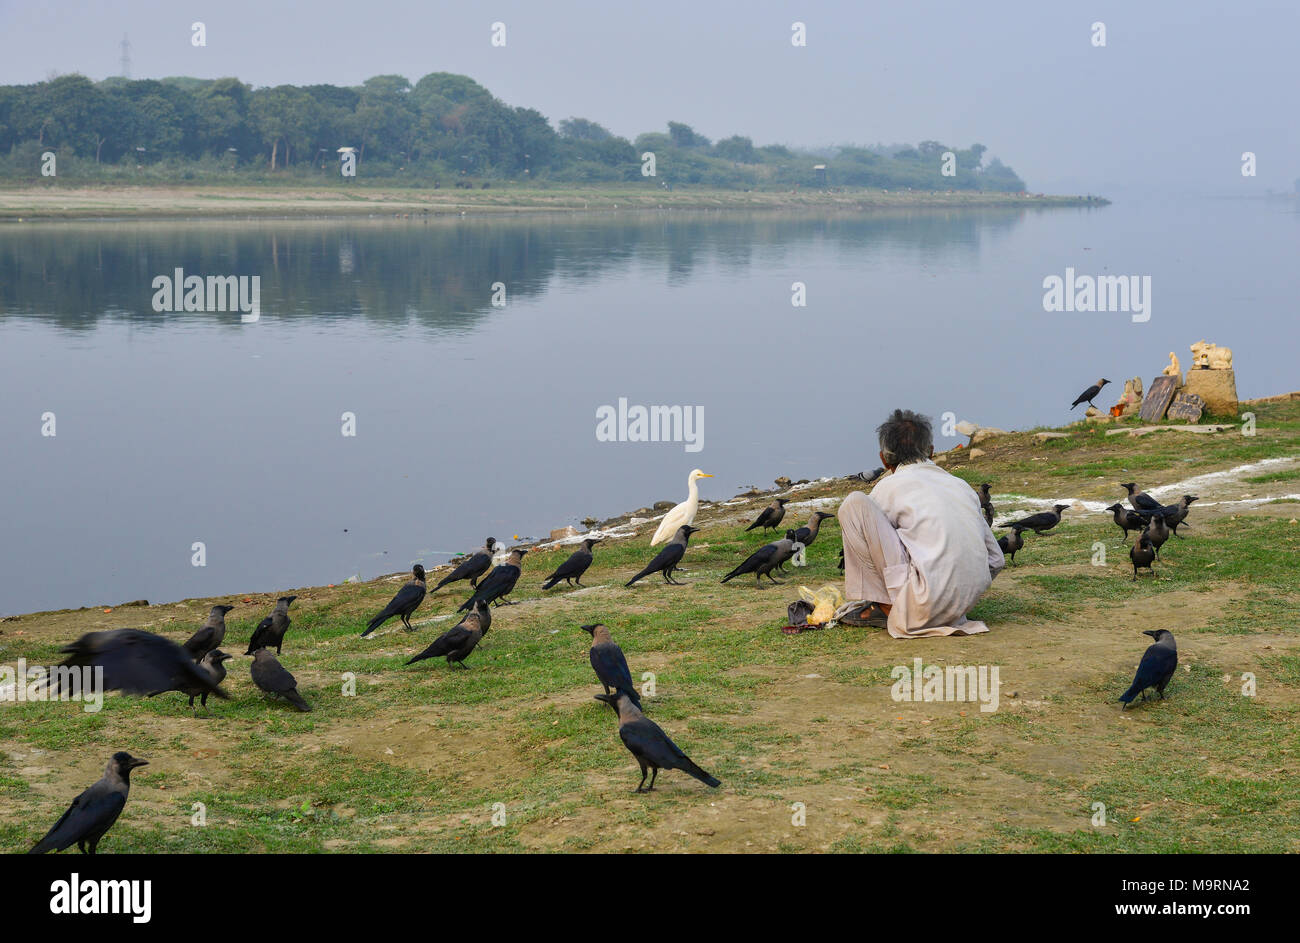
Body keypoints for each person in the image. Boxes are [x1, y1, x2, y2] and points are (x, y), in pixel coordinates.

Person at [839, 409, 1004, 639]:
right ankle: (932, 602)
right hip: (961, 608)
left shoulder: (888, 487)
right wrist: (961, 590)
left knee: (854, 504)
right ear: (931, 452)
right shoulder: (960, 485)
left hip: (919, 603)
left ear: (884, 459)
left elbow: (876, 542)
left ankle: (884, 607)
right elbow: (996, 559)